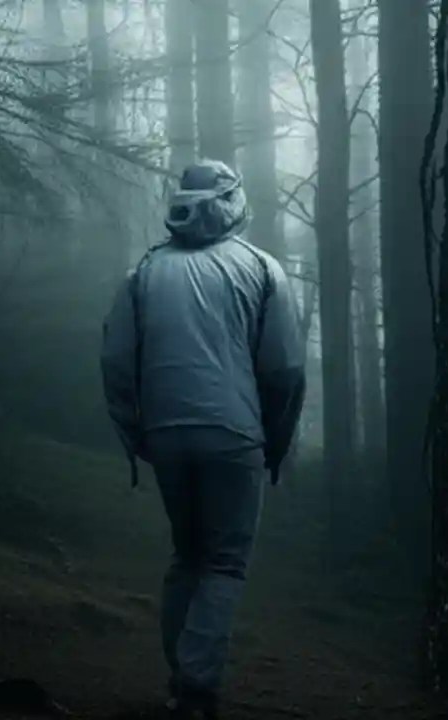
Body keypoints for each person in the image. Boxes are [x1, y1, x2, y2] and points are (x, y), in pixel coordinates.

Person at [99, 160, 307, 719]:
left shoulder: (143, 271)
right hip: (236, 436)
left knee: (187, 555)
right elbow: (284, 369)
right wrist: (274, 441)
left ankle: (180, 679)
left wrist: (136, 434)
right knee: (224, 563)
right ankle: (194, 690)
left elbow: (116, 361)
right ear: (232, 203)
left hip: (165, 435)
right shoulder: (261, 268)